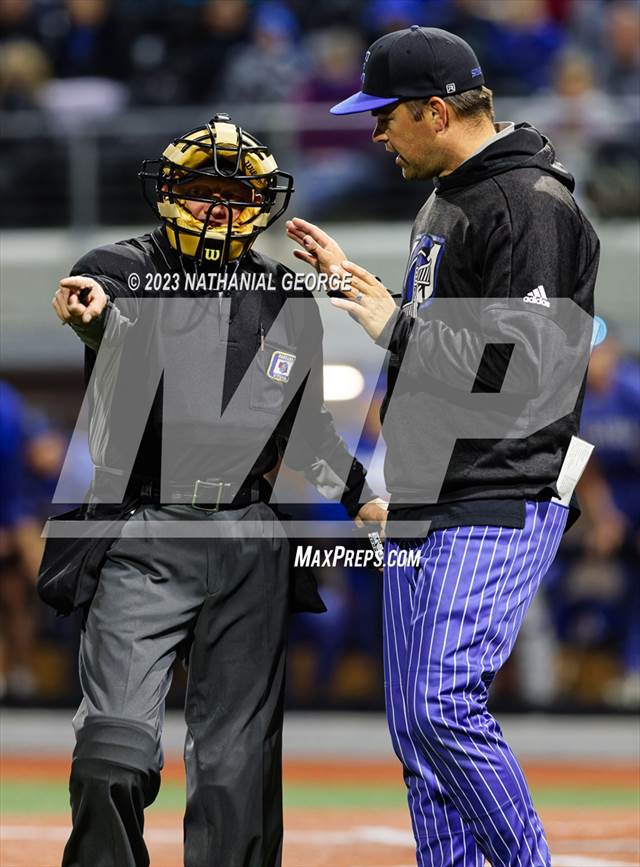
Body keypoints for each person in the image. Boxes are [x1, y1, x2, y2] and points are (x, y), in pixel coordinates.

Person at [287, 26, 599, 867]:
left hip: (497, 486)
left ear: (433, 110)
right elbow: (450, 337)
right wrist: (374, 293)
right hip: (427, 490)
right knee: (416, 735)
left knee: (439, 707)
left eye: (385, 115)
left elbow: (526, 366)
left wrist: (395, 322)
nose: (375, 134)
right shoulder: (449, 197)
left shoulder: (532, 202)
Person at [47, 114, 385, 867]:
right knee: (112, 753)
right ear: (169, 195)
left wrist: (363, 494)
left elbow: (305, 429)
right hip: (143, 530)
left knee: (238, 775)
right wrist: (88, 314)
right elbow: (100, 305)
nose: (218, 207)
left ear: (262, 203)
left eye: (235, 193)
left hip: (248, 539)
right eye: (201, 190)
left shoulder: (285, 298)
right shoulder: (123, 266)